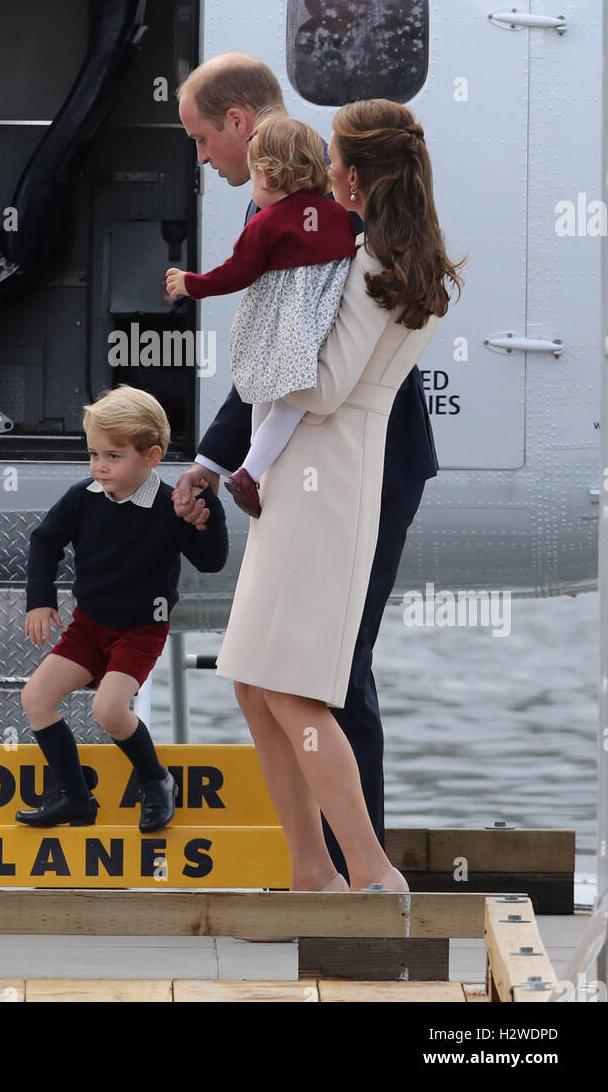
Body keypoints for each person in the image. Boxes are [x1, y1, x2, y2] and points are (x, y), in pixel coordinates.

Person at [173, 52, 440, 880]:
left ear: (354, 177)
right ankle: (312, 873)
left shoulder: (361, 256)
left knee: (310, 682)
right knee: (257, 680)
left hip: (339, 473)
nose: (323, 169)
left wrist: (253, 355)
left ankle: (365, 869)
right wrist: (220, 457)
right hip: (295, 477)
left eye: (334, 160)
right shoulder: (325, 231)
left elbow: (315, 383)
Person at [16, 384, 228, 832]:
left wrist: (209, 510)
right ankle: (75, 797)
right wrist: (40, 601)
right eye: (93, 454)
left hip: (140, 630)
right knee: (36, 698)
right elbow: (45, 540)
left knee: (109, 710)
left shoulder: (175, 506)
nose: (99, 466)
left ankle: (155, 781)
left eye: (113, 456)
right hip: (89, 626)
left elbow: (212, 563)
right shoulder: (83, 497)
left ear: (151, 456)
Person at [165, 112, 356, 519]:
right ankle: (255, 467)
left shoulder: (267, 222)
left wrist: (190, 284)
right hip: (315, 328)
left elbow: (235, 273)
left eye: (254, 177)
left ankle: (250, 471)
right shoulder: (342, 216)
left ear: (268, 176)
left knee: (278, 398)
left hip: (274, 326)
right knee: (285, 399)